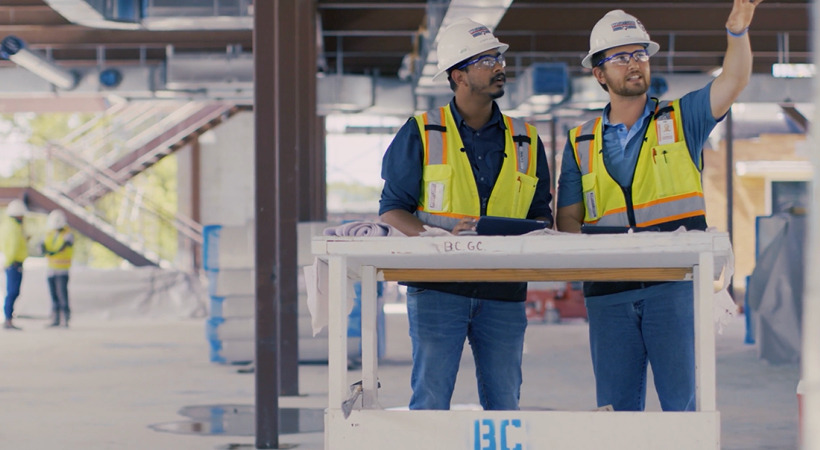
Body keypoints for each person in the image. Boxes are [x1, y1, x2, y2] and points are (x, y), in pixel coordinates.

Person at [556, 0, 763, 411]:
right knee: (615, 414)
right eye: (620, 57)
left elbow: (734, 79)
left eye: (639, 54)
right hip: (608, 294)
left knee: (683, 412)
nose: (634, 64)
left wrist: (737, 32)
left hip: (675, 288)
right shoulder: (580, 141)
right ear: (599, 73)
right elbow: (567, 221)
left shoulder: (683, 118)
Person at [379, 18, 553, 410]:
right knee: (431, 401)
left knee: (505, 403)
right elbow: (392, 209)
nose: (499, 66)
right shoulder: (421, 132)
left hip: (504, 290)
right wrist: (433, 236)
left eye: (499, 59)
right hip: (438, 288)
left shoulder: (526, 138)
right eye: (487, 60)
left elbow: (543, 217)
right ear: (459, 75)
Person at [42, 209, 74, 328]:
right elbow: (42, 246)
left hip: (62, 270)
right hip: (51, 270)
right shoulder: (49, 233)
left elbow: (63, 247)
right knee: (53, 295)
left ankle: (65, 318)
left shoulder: (68, 234)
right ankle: (55, 319)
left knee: (62, 294)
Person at [2, 199, 28, 330]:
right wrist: (10, 262)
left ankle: (8, 319)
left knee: (12, 292)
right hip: (14, 264)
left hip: (13, 263)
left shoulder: (10, 226)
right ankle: (8, 320)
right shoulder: (13, 228)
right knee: (12, 292)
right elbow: (12, 247)